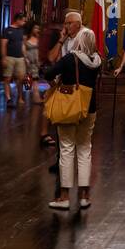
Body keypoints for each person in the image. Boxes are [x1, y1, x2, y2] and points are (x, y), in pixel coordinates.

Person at [41, 27, 102, 211]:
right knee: (85, 150)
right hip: (90, 109)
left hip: (70, 109)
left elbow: (48, 73)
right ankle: (84, 195)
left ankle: (64, 197)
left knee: (66, 149)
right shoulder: (97, 61)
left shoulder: (71, 58)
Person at [40, 11, 82, 148]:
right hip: (59, 78)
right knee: (48, 102)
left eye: (69, 23)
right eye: (65, 23)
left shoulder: (81, 39)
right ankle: (44, 134)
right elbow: (51, 58)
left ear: (77, 25)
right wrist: (61, 40)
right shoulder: (61, 39)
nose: (66, 26)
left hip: (75, 80)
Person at [0, 11, 28, 108]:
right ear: (18, 20)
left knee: (20, 79)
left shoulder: (22, 31)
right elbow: (3, 45)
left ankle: (20, 97)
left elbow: (23, 45)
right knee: (7, 78)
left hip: (20, 58)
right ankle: (8, 99)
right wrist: (3, 58)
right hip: (9, 57)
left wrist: (25, 57)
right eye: (23, 21)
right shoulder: (7, 30)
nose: (24, 23)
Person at [25, 22, 42, 105]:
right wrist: (25, 59)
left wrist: (38, 61)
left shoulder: (37, 38)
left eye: (38, 28)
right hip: (27, 62)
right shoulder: (26, 37)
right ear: (31, 28)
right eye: (35, 28)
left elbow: (37, 51)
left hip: (34, 63)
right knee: (26, 81)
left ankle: (37, 98)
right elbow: (23, 49)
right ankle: (23, 97)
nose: (37, 30)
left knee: (35, 80)